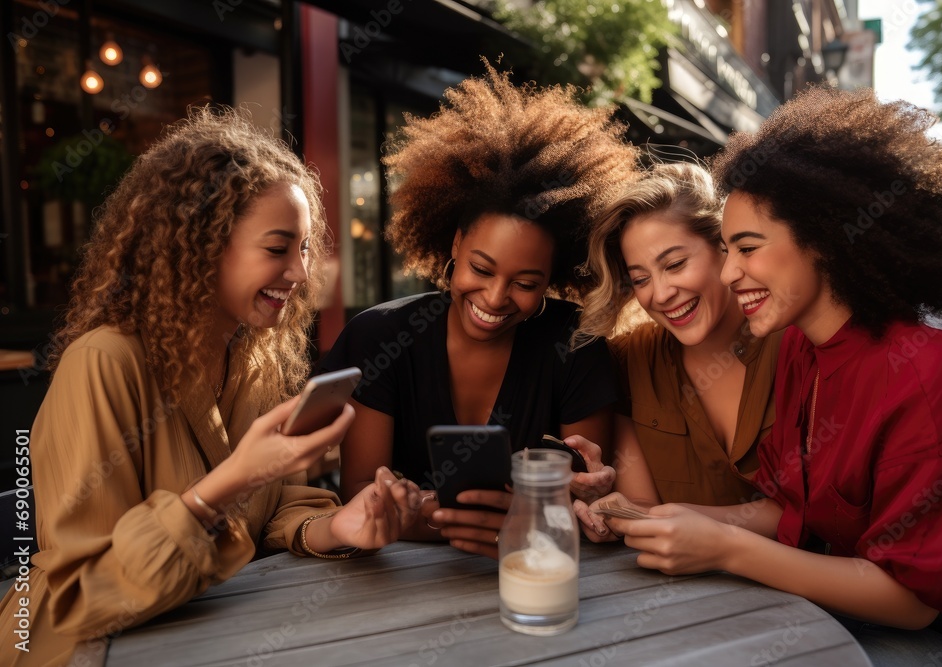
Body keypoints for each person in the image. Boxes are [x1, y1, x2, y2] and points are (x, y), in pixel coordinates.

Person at [593, 87, 942, 664]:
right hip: (846, 612)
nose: (730, 273)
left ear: (824, 239)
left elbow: (913, 603)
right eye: (728, 250)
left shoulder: (930, 373)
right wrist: (643, 517)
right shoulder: (804, 355)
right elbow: (789, 513)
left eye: (747, 248)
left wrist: (726, 548)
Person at [0, 108, 421, 665]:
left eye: (304, 248)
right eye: (277, 248)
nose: (300, 274)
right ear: (201, 246)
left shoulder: (256, 360)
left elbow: (275, 510)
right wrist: (232, 480)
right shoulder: (103, 363)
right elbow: (84, 595)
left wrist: (336, 526)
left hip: (209, 638)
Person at [319, 63, 639, 559]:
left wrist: (562, 504)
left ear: (552, 278)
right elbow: (359, 497)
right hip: (399, 581)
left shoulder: (575, 345)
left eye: (525, 284)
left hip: (538, 568)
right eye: (481, 269)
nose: (494, 298)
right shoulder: (379, 337)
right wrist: (496, 518)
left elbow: (581, 496)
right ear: (455, 243)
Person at [568, 163, 782, 541]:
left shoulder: (792, 343)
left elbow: (806, 516)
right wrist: (609, 511)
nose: (661, 294)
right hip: (671, 577)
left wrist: (678, 520)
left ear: (723, 247)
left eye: (675, 264)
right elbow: (640, 505)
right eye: (641, 279)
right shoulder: (632, 360)